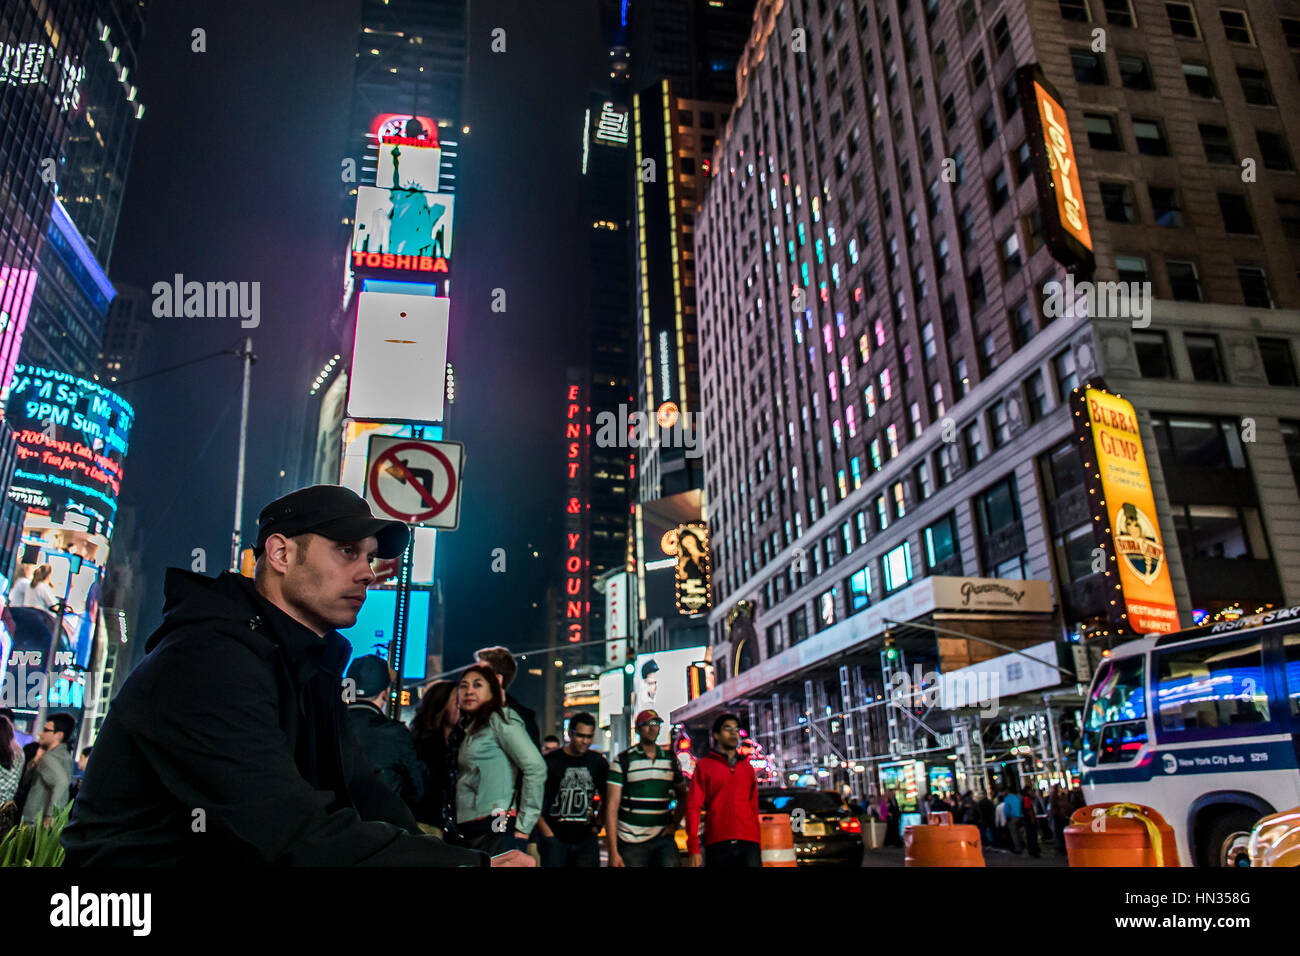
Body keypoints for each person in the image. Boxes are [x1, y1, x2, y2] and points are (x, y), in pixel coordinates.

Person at [60, 485, 526, 866]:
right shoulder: (209, 657)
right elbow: (289, 830)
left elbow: (362, 792)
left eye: (368, 557)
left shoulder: (310, 664)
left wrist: (467, 859)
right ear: (281, 554)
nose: (368, 572)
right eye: (346, 551)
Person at [443, 663, 546, 858]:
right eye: (464, 686)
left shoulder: (501, 719)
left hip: (496, 825)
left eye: (477, 685)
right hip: (468, 828)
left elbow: (536, 767)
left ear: (492, 691)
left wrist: (524, 827)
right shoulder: (467, 727)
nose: (469, 691)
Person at [345, 654, 427, 809]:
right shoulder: (395, 733)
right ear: (386, 693)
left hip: (332, 823)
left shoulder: (327, 724)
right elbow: (417, 788)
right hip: (382, 823)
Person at [606, 709, 686, 867]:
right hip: (630, 839)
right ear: (637, 729)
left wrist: (674, 824)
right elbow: (611, 806)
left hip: (662, 836)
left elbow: (683, 795)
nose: (652, 728)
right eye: (647, 724)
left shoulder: (669, 759)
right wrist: (613, 851)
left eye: (656, 724)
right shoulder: (623, 760)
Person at [686, 713, 761, 867]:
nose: (734, 733)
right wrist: (693, 847)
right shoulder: (704, 766)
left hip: (749, 842)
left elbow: (753, 807)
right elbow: (693, 807)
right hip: (717, 842)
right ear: (716, 735)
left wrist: (757, 840)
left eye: (736, 729)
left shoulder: (746, 768)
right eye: (728, 728)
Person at [537, 711, 607, 867]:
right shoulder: (551, 761)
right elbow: (533, 799)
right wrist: (547, 833)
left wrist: (597, 826)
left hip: (586, 839)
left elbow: (608, 798)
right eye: (580, 736)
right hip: (555, 838)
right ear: (570, 733)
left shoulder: (597, 762)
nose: (585, 741)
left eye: (589, 737)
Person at [409, 680, 458, 834]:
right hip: (424, 824)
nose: (462, 706)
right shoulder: (423, 743)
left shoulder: (459, 742)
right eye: (456, 701)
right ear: (440, 705)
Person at [474, 646, 541, 748]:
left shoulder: (521, 719)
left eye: (481, 673)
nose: (473, 676)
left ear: (498, 679)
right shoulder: (470, 713)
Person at [21, 712, 75, 826]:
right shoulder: (66, 756)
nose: (41, 734)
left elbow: (62, 782)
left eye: (46, 730)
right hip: (43, 824)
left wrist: (50, 815)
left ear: (59, 735)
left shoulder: (49, 757)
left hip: (35, 822)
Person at [1003, 786, 1025, 854]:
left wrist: (1006, 817)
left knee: (1014, 833)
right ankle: (1022, 844)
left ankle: (1018, 848)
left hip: (1012, 817)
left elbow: (1006, 809)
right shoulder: (1017, 797)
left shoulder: (1007, 798)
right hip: (1020, 816)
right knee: (1019, 832)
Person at [1051, 784, 1072, 853]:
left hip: (1063, 816)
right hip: (1060, 817)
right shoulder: (1056, 798)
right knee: (1060, 832)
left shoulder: (1062, 797)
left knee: (1062, 832)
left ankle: (1063, 847)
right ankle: (1062, 848)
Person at [1021, 786, 1041, 857]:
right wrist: (1032, 818)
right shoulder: (1026, 798)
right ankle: (1033, 850)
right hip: (1029, 820)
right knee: (1032, 835)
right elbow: (1028, 809)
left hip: (1028, 819)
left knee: (1030, 835)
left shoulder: (1025, 798)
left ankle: (1032, 849)